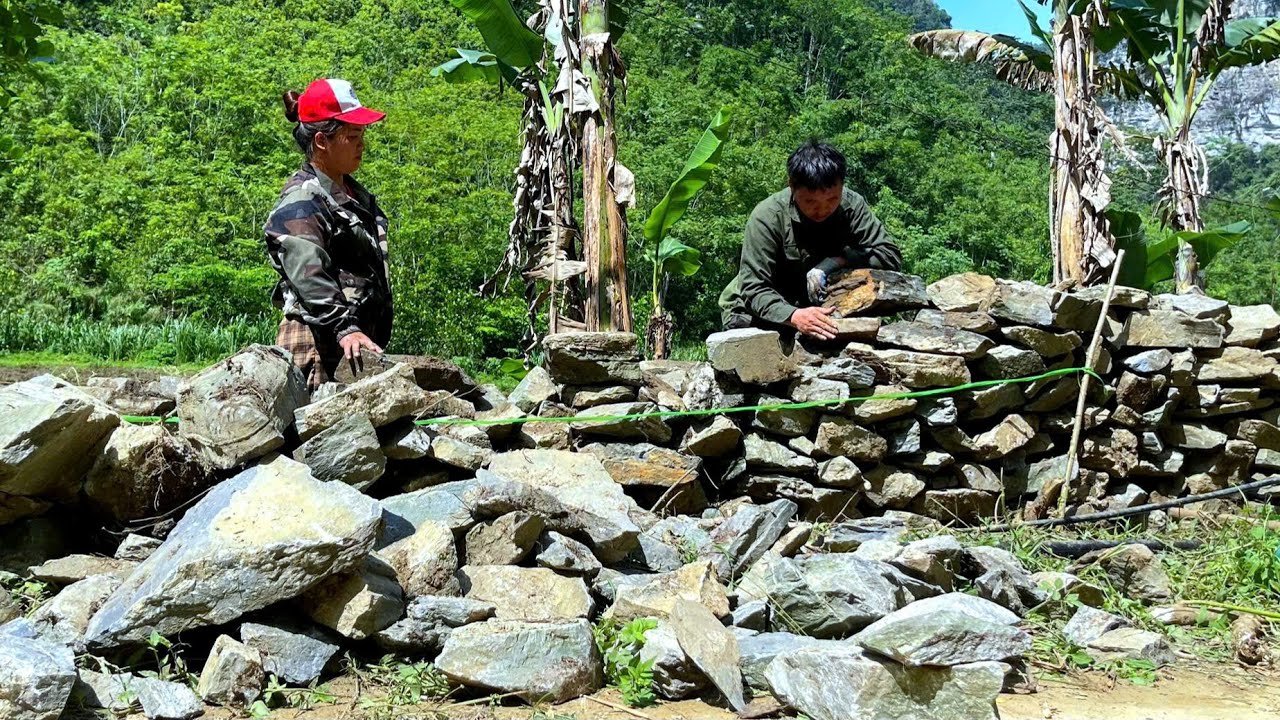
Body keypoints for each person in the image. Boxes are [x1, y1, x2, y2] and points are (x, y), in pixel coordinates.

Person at [264, 78, 392, 389]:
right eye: (352, 136)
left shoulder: (351, 194)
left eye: (362, 135)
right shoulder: (303, 198)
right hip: (318, 342)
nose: (362, 144)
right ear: (322, 141)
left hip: (350, 341)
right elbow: (307, 269)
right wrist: (344, 327)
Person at [718, 140, 902, 340]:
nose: (822, 210)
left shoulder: (852, 205)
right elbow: (753, 288)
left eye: (832, 199)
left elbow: (889, 256)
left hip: (815, 308)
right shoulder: (768, 216)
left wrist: (839, 261)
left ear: (842, 185)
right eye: (810, 202)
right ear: (792, 186)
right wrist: (793, 315)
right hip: (755, 310)